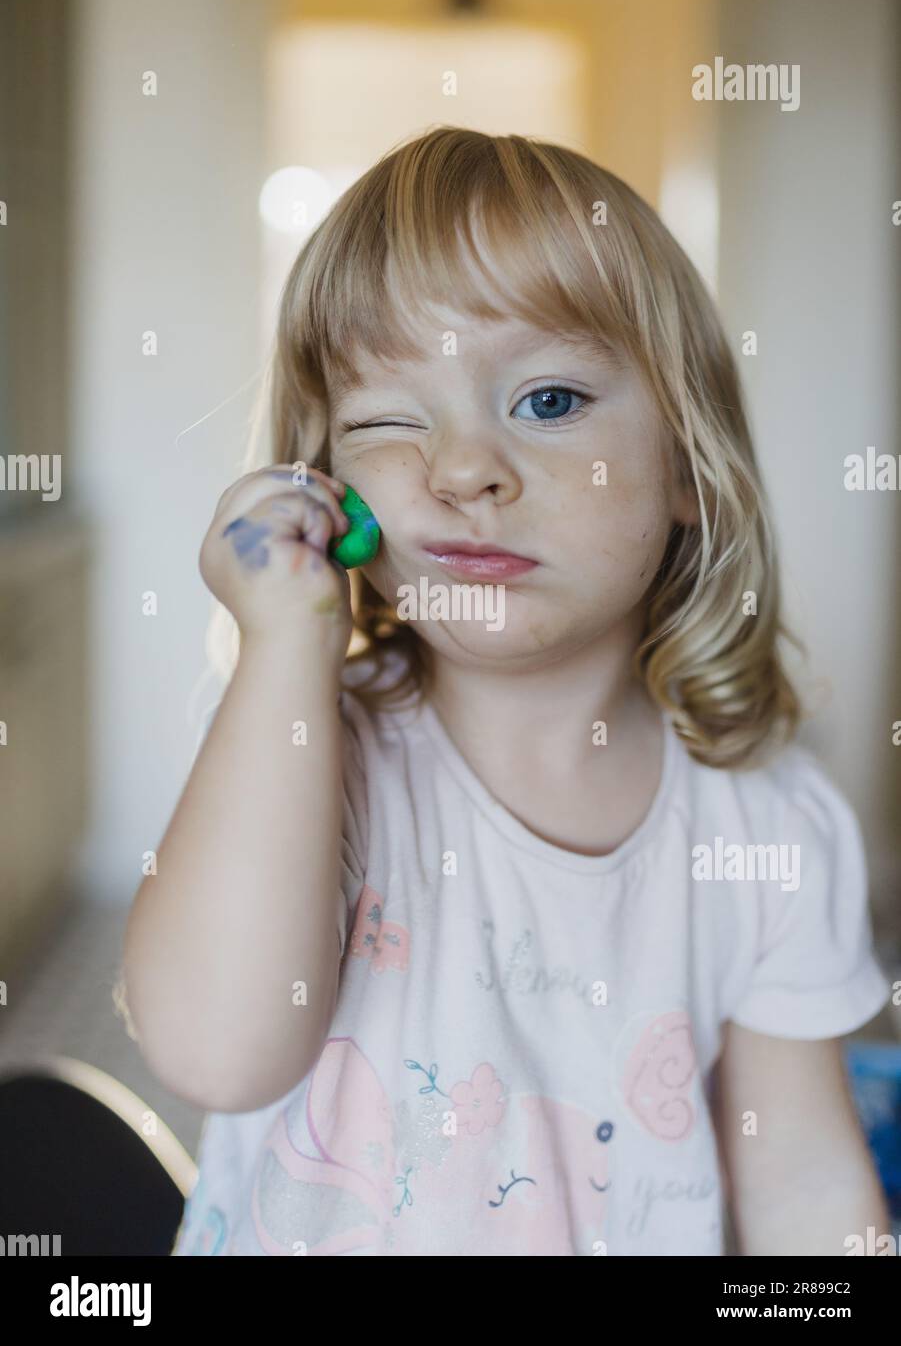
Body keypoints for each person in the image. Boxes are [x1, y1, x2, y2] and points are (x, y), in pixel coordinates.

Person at [118, 127, 891, 1256]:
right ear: (327, 482)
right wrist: (285, 638)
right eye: (388, 418)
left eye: (547, 401)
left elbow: (809, 1191)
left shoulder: (771, 825)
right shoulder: (299, 752)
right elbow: (217, 1053)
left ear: (685, 462)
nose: (460, 469)